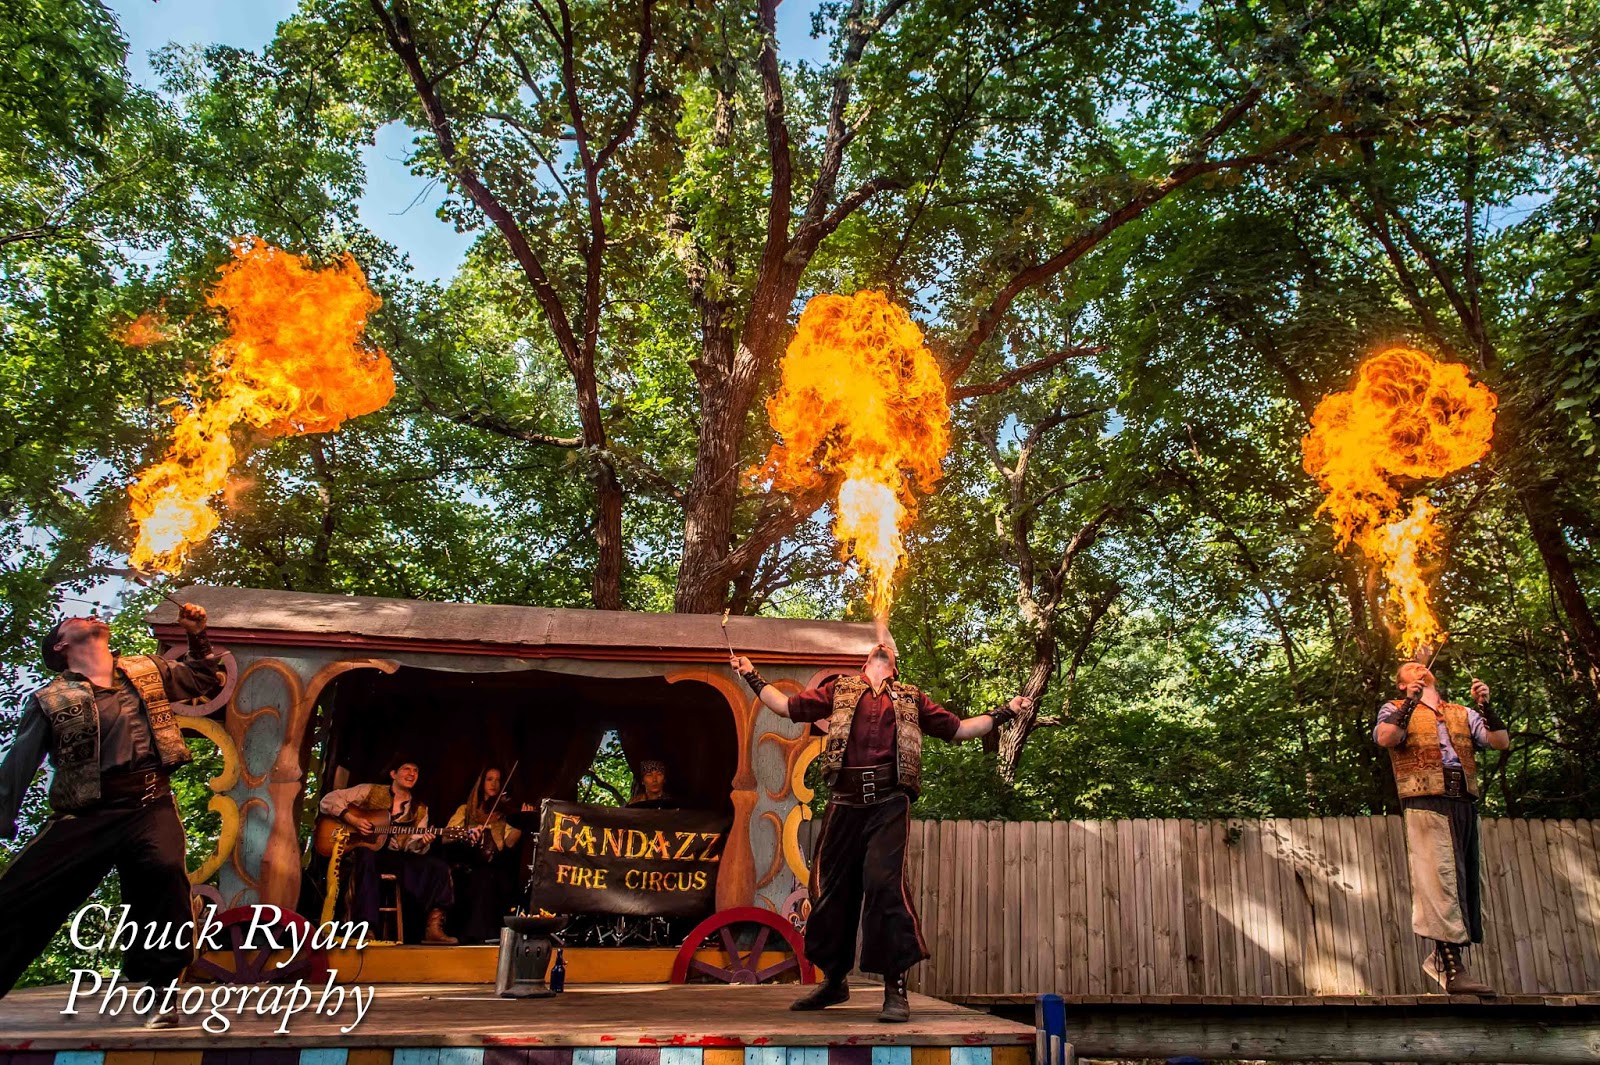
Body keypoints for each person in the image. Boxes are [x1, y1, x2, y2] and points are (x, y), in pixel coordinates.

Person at [730, 640, 1029, 1023]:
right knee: (829, 890)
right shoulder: (839, 689)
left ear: (895, 663)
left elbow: (959, 730)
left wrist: (1006, 711)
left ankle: (895, 989)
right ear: (866, 661)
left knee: (884, 885)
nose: (883, 645)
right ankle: (835, 981)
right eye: (877, 646)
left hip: (888, 803)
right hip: (844, 803)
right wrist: (751, 673)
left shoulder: (911, 697)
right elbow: (786, 707)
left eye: (889, 647)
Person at [0, 603, 222, 1026]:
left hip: (149, 801)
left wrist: (197, 634)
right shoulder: (51, 699)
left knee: (163, 875)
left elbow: (202, 678)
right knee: (19, 895)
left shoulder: (145, 669)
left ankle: (161, 993)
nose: (89, 617)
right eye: (74, 620)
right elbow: (19, 763)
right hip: (88, 813)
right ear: (62, 644)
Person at [1374, 660, 1510, 994]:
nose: (1419, 668)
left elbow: (1500, 741)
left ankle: (1442, 959)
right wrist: (1410, 703)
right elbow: (1387, 738)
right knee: (1438, 881)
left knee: (1461, 882)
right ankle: (1454, 971)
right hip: (1424, 799)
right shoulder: (1394, 707)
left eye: (1421, 665)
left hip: (1462, 799)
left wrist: (1486, 706)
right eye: (1410, 669)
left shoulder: (1461, 712)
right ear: (1403, 684)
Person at [319, 758, 458, 944]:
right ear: (393, 774)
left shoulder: (420, 809)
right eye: (406, 769)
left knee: (438, 867)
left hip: (396, 856)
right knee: (368, 857)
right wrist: (353, 820)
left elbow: (412, 847)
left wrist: (421, 843)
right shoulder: (370, 790)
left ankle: (433, 928)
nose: (411, 773)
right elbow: (328, 800)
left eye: (415, 770)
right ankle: (366, 927)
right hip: (364, 852)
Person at [446, 765, 523, 943]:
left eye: (498, 780)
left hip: (492, 866)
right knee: (477, 878)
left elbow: (509, 843)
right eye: (489, 779)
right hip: (466, 864)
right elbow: (448, 836)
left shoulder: (504, 814)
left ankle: (485, 936)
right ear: (481, 783)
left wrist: (521, 823)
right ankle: (469, 935)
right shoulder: (465, 810)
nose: (494, 784)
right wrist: (468, 832)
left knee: (491, 878)